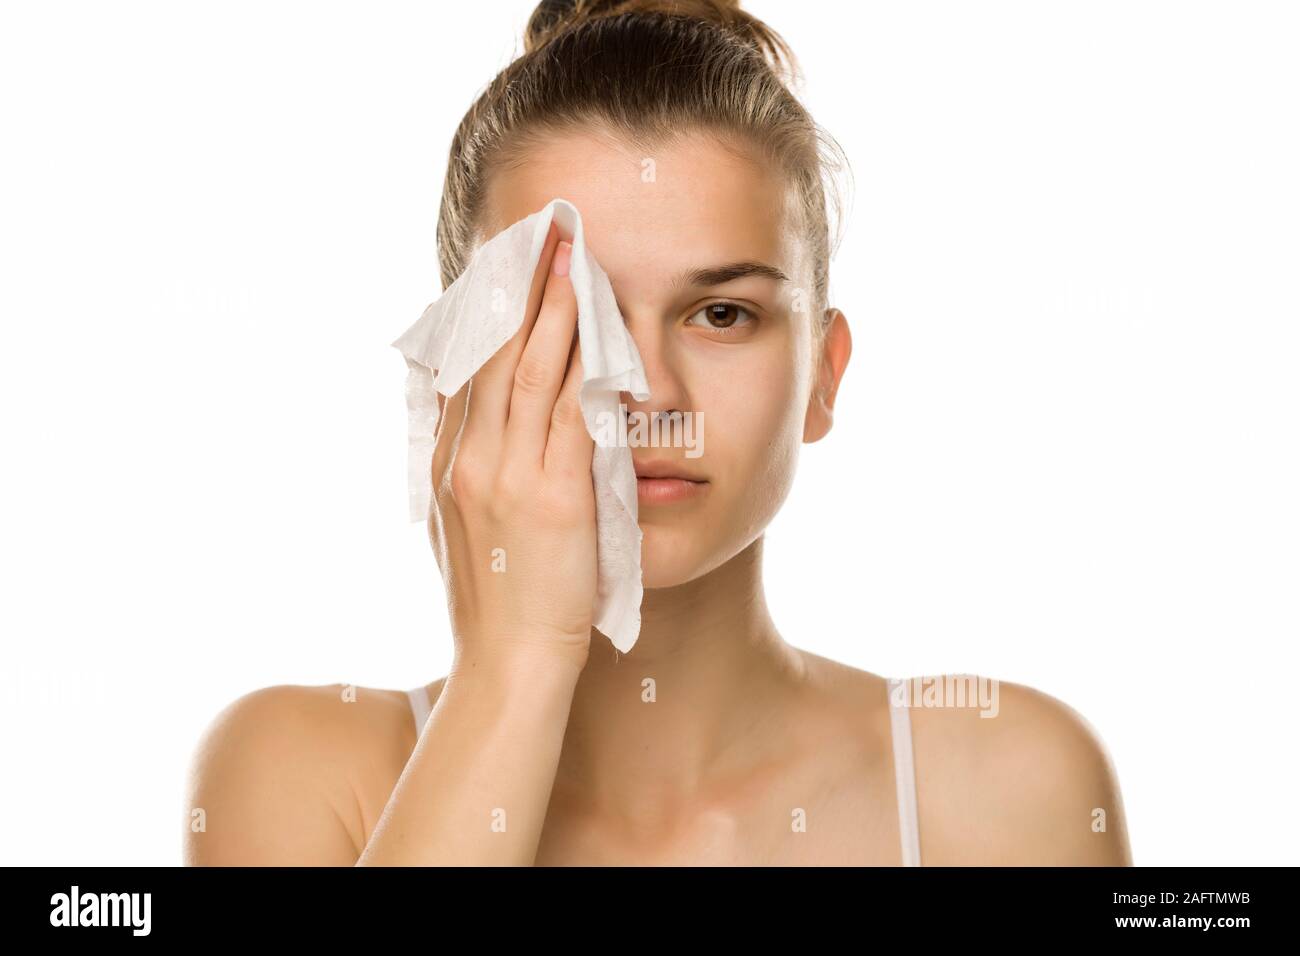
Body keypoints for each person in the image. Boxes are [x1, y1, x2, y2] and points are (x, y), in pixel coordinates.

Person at [183, 0, 1132, 866]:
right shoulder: (296, 772)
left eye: (722, 314)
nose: (646, 395)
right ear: (454, 373)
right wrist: (515, 663)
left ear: (823, 377)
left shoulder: (1009, 789)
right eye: (569, 314)